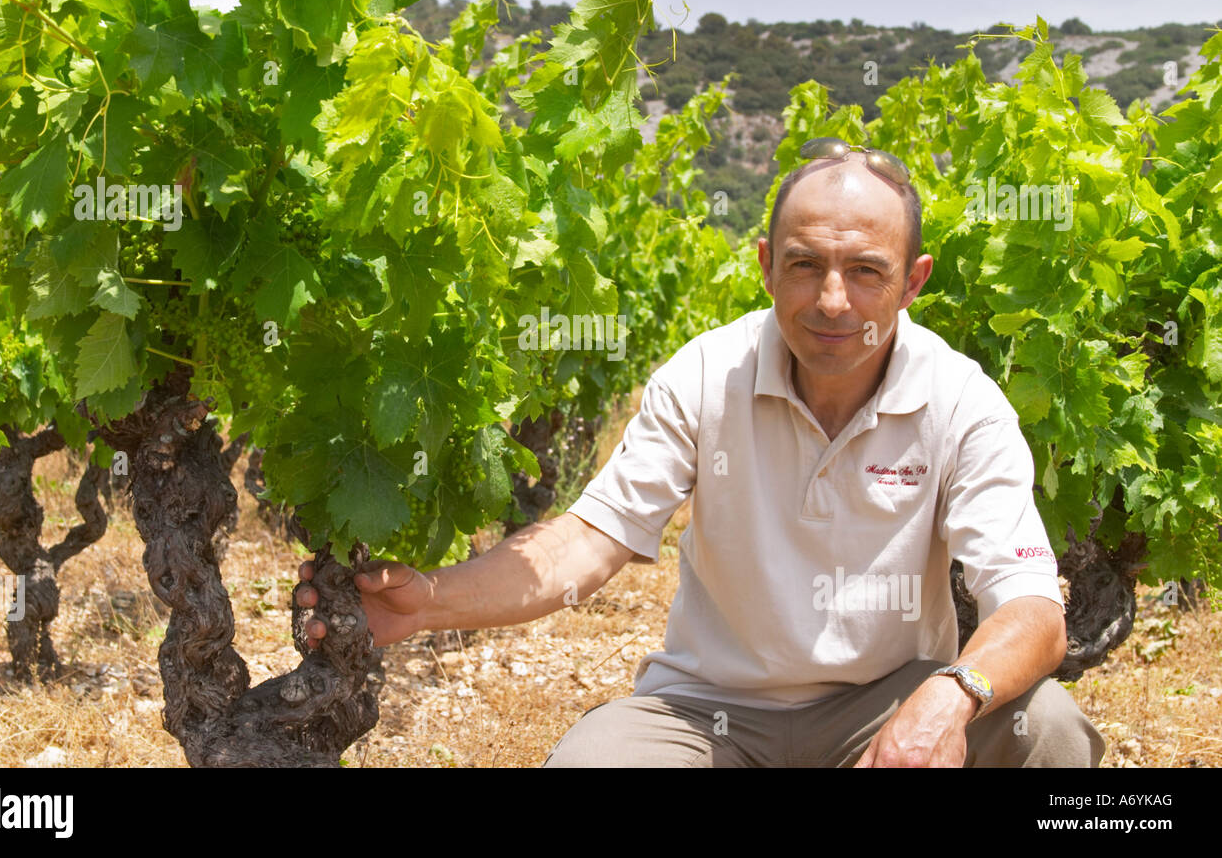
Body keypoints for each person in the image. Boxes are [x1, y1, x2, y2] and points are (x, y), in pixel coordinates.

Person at [312, 139, 1106, 768]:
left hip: (885, 701)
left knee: (1051, 730)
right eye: (805, 265)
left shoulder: (961, 399)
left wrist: (949, 697)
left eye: (866, 272)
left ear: (912, 282)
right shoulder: (704, 374)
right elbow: (589, 541)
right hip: (710, 713)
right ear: (765, 264)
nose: (833, 301)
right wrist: (430, 602)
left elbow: (1032, 605)